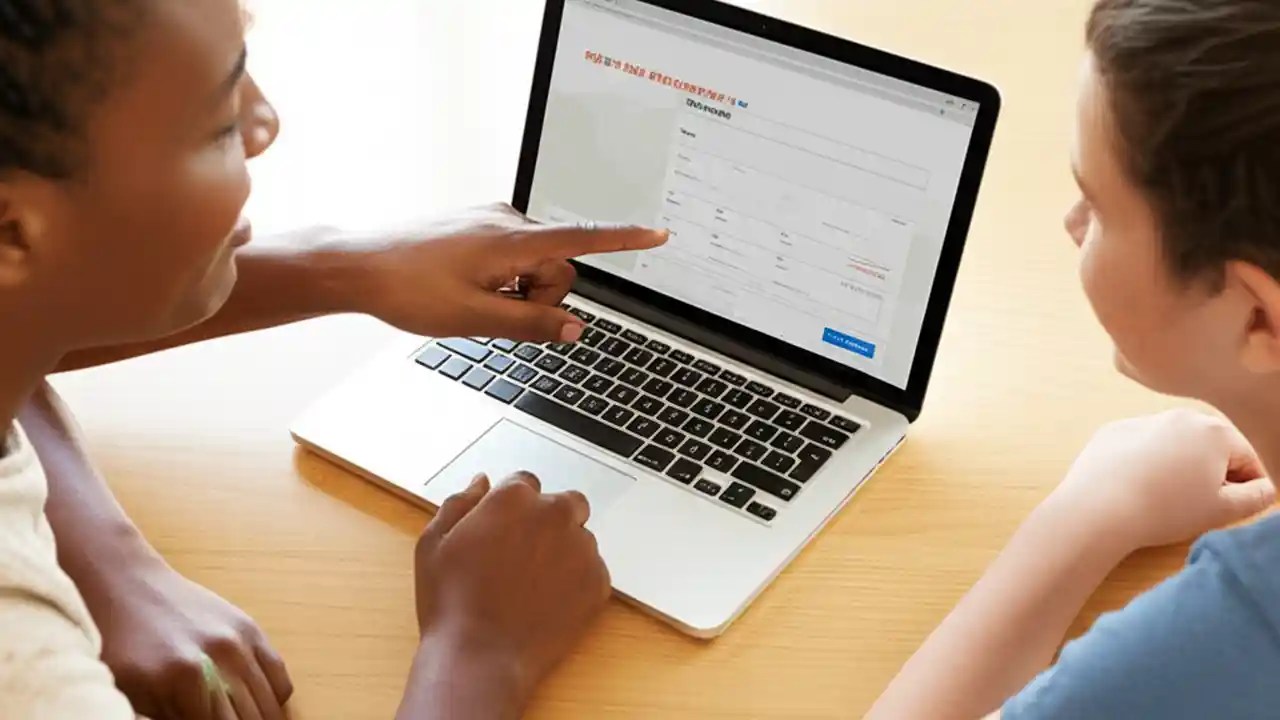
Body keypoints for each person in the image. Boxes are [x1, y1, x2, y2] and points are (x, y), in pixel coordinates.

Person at [0, 1, 668, 719]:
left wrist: (343, 268)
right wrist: (477, 652)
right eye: (219, 120)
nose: (266, 125)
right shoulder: (30, 665)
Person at [867, 0, 1280, 718]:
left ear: (1257, 314)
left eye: (1096, 203)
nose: (1070, 224)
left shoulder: (1229, 639)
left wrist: (1086, 516)